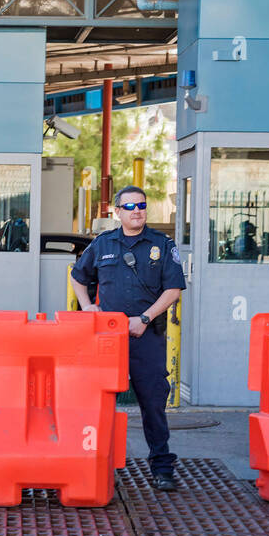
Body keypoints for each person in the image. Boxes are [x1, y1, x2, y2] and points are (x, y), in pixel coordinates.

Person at [70, 185, 185, 491]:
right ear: (117, 212)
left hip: (146, 337)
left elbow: (173, 290)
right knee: (98, 403)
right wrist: (88, 307)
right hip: (107, 338)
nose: (138, 211)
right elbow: (78, 276)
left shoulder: (161, 244)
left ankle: (162, 467)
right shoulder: (103, 243)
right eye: (130, 207)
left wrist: (145, 319)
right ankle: (97, 463)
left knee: (152, 402)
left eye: (142, 206)